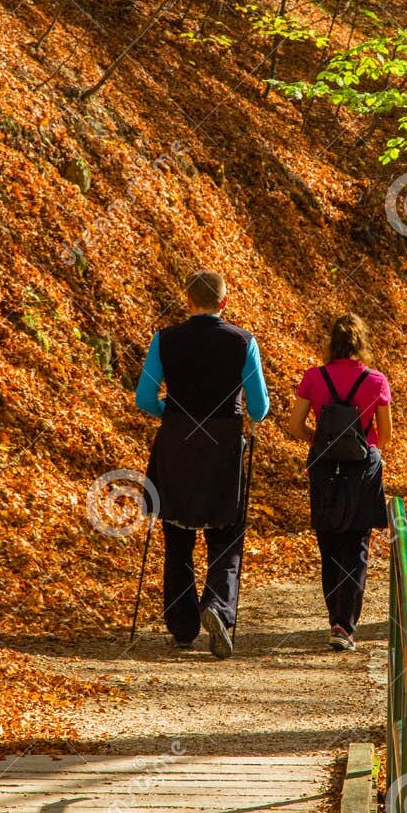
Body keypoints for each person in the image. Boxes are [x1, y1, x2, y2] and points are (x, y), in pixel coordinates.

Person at [135, 270, 269, 658]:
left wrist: (172, 413)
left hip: (176, 442)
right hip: (223, 444)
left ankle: (182, 626)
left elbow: (144, 398)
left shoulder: (166, 339)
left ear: (188, 301)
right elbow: (259, 408)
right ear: (224, 303)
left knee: (177, 531)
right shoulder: (243, 341)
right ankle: (218, 607)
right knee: (226, 533)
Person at [286, 314, 390, 652]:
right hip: (362, 470)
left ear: (331, 343)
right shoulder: (375, 381)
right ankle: (345, 626)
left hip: (324, 469)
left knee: (328, 543)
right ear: (362, 343)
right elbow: (384, 436)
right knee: (357, 547)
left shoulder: (313, 378)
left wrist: (321, 440)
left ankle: (334, 619)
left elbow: (295, 426)